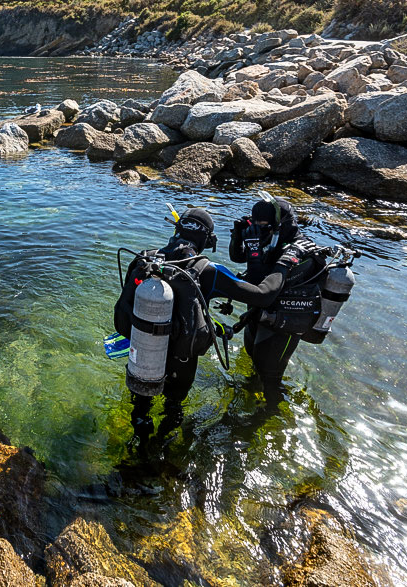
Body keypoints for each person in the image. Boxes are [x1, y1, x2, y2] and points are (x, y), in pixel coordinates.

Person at [113, 206, 306, 452]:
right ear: (207, 240)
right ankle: (162, 452)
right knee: (173, 409)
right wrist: (285, 263)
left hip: (143, 352)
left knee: (141, 405)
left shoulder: (143, 259)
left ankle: (137, 445)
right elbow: (263, 295)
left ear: (177, 229)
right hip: (182, 361)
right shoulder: (207, 271)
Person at [229, 191, 326, 401]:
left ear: (280, 225)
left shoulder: (299, 254)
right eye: (255, 223)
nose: (259, 229)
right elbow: (237, 257)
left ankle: (271, 415)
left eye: (263, 225)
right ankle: (249, 399)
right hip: (260, 316)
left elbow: (260, 292)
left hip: (282, 324)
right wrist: (238, 236)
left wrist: (255, 249)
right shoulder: (271, 241)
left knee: (270, 378)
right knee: (253, 362)